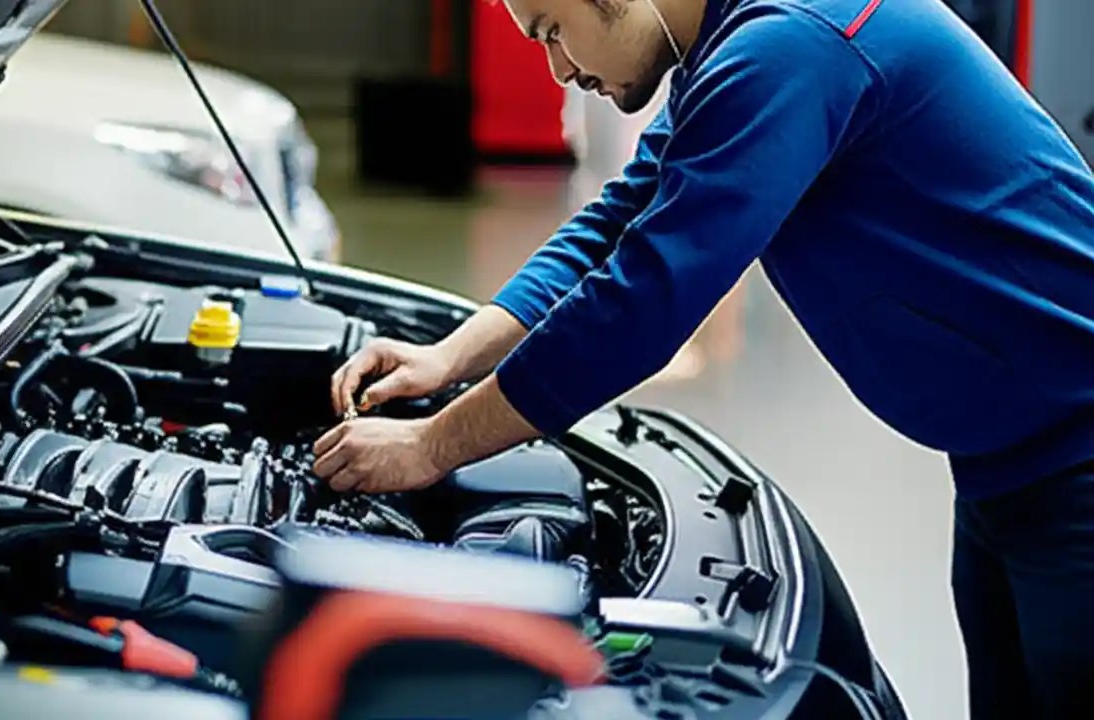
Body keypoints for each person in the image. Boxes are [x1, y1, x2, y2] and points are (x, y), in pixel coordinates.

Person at [311, 0, 1094, 716]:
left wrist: (430, 445)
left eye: (552, 29)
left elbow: (642, 302)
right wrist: (447, 359)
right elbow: (617, 223)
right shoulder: (731, 48)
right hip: (1007, 467)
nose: (559, 69)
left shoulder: (787, 48)